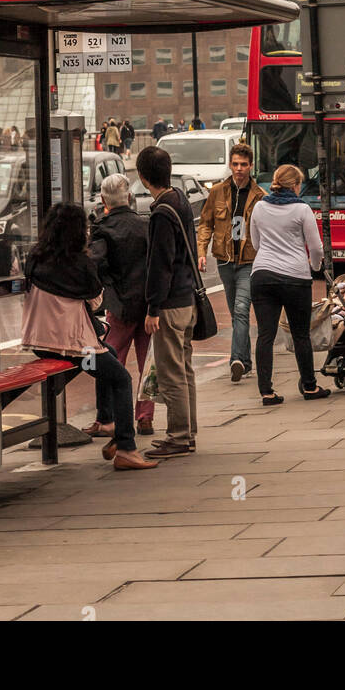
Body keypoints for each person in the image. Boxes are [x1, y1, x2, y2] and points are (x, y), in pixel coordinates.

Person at [20, 201, 157, 471]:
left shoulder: (35, 257)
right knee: (121, 378)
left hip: (39, 342)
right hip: (73, 345)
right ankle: (127, 448)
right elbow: (95, 302)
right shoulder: (80, 262)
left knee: (111, 355)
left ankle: (108, 421)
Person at [249, 163, 329, 406]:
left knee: (265, 334)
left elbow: (255, 244)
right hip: (295, 277)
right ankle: (309, 386)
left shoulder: (259, 208)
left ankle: (266, 392)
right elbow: (316, 248)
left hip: (262, 275)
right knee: (300, 334)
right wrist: (315, 267)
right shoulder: (302, 210)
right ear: (296, 185)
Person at [136, 144, 198, 458]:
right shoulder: (180, 201)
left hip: (170, 305)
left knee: (172, 372)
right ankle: (188, 432)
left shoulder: (161, 212)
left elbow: (160, 264)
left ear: (143, 177)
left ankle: (179, 436)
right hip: (187, 300)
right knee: (184, 370)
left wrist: (153, 308)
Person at [88, 173, 155, 437]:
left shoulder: (102, 228)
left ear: (104, 200)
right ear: (129, 197)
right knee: (147, 363)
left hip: (119, 306)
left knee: (111, 362)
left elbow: (95, 263)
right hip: (147, 304)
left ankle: (111, 417)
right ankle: (145, 417)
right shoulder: (145, 225)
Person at [197, 142, 264, 382]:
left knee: (241, 309)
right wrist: (201, 251)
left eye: (243, 165)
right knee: (237, 315)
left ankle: (235, 359)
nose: (239, 169)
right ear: (230, 164)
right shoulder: (217, 192)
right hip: (225, 261)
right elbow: (206, 223)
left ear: (251, 166)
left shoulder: (259, 197)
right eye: (235, 164)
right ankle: (245, 363)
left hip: (248, 262)